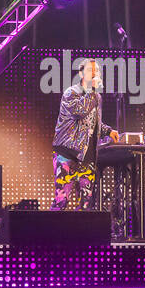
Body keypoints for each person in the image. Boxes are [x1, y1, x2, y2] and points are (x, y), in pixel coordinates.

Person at [51, 58, 119, 211]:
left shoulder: (96, 97)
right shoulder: (71, 93)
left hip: (87, 156)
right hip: (67, 153)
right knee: (61, 200)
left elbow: (92, 123)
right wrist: (92, 92)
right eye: (90, 70)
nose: (94, 74)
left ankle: (80, 234)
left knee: (86, 204)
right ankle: (52, 233)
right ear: (81, 73)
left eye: (97, 71)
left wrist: (108, 131)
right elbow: (80, 112)